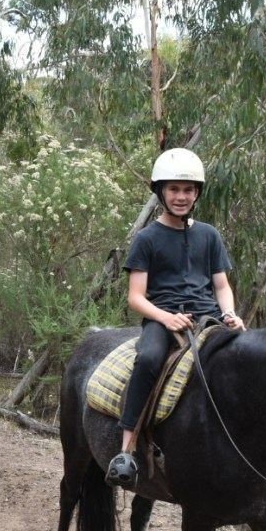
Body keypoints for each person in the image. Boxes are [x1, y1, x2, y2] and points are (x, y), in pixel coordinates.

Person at [106, 148, 247, 489]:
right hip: (162, 317)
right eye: (174, 189)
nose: (181, 196)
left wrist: (229, 314)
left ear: (197, 193)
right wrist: (166, 319)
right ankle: (127, 450)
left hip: (208, 317)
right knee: (149, 359)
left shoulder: (209, 235)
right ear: (161, 192)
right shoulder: (147, 239)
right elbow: (136, 297)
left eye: (188, 190)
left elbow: (221, 285)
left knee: (248, 359)